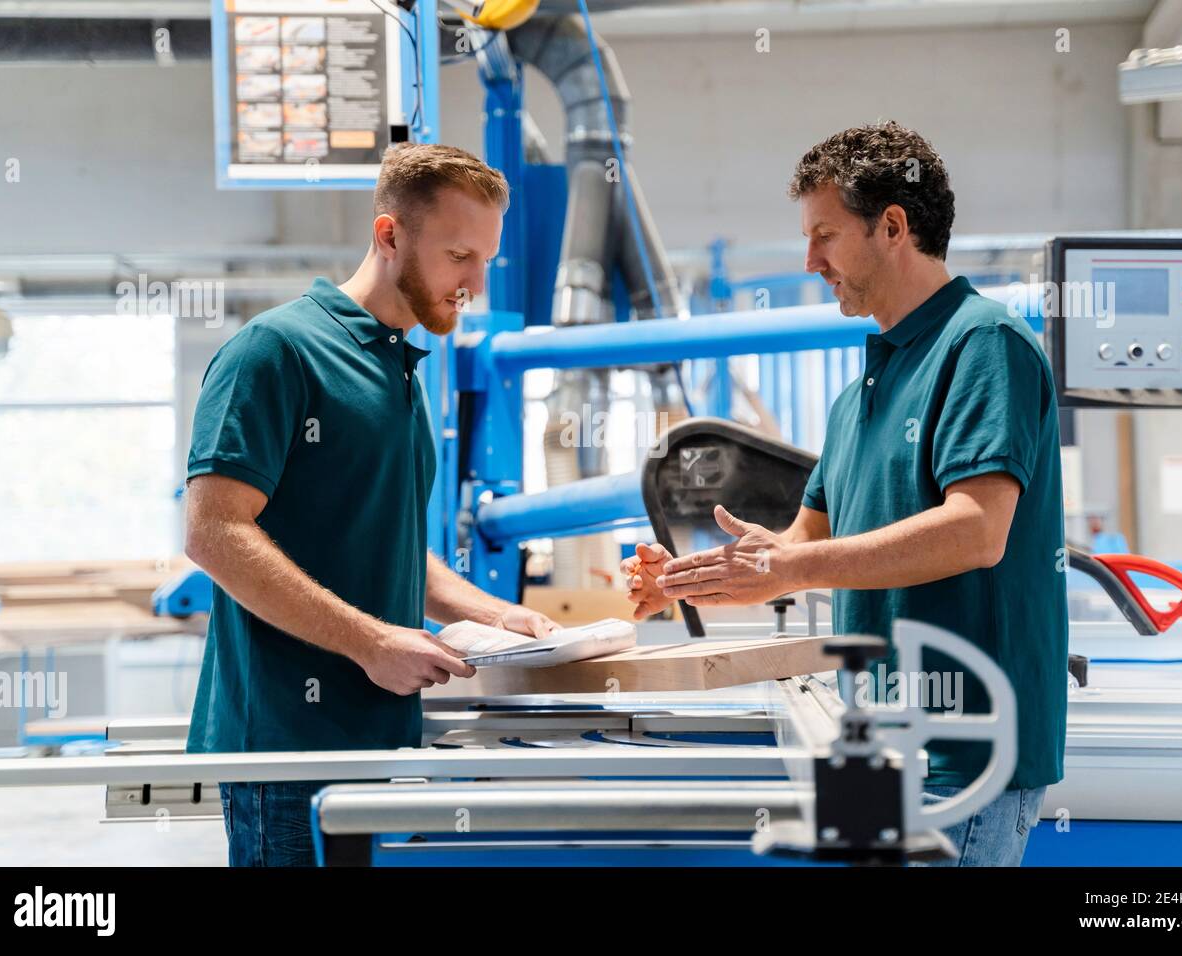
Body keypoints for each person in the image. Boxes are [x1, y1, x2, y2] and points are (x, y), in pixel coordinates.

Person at [624, 121, 1067, 866]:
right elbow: (804, 543)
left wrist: (792, 567)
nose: (809, 260)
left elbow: (976, 530)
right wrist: (695, 578)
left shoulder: (982, 345)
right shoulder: (862, 386)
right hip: (872, 735)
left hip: (963, 751)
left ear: (892, 226)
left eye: (824, 235)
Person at [185, 142, 558, 866]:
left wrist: (493, 613)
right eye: (459, 256)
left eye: (485, 259)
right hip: (289, 753)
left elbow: (381, 541)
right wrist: (371, 643)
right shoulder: (277, 351)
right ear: (389, 236)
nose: (475, 283)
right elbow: (215, 533)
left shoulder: (399, 370)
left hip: (377, 739)